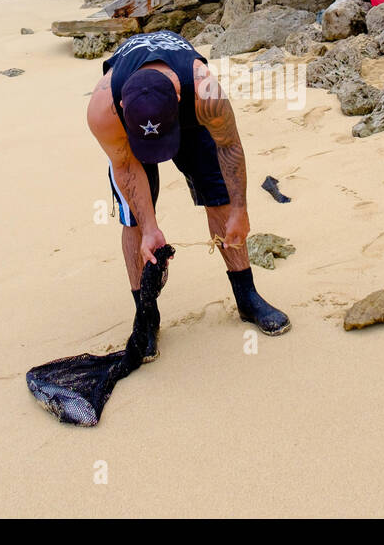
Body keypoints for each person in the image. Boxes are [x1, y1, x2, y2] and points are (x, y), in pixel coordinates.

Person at [87, 29, 290, 361]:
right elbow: (125, 166)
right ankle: (146, 315)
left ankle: (247, 296)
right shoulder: (103, 108)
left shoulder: (204, 90)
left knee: (221, 201)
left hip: (192, 124)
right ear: (122, 103)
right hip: (131, 132)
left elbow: (229, 145)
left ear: (180, 98)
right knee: (136, 222)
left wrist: (240, 209)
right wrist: (150, 228)